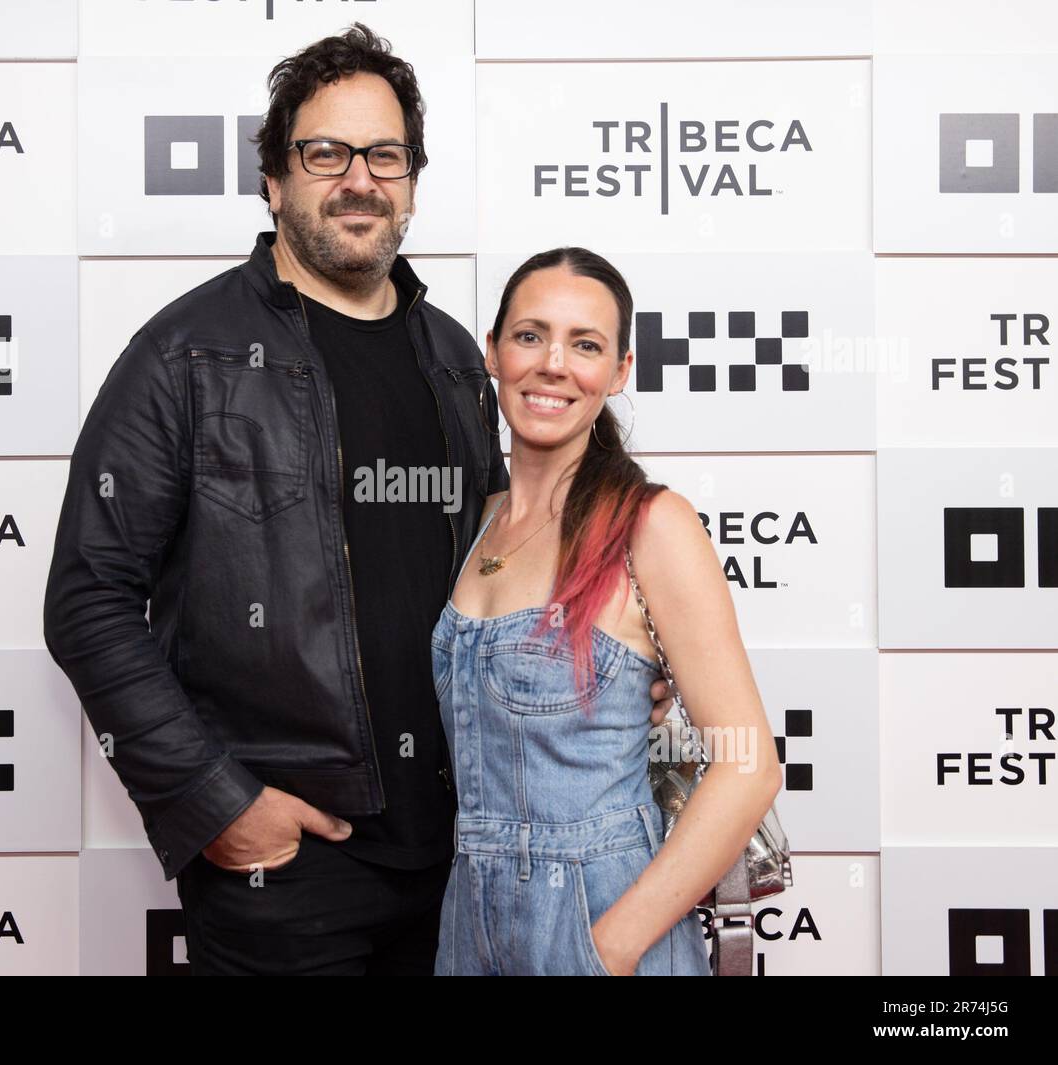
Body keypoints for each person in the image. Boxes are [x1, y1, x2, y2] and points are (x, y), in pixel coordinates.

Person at [43, 23, 673, 976]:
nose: (359, 179)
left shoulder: (461, 357)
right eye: (325, 152)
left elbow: (505, 568)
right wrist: (217, 802)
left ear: (412, 182)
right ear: (274, 179)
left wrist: (607, 672)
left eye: (385, 155)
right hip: (291, 878)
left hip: (471, 859)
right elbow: (87, 598)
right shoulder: (188, 355)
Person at [432, 247, 783, 975]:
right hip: (469, 924)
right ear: (493, 351)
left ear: (620, 370)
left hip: (603, 922)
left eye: (585, 344)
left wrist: (606, 950)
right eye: (530, 335)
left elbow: (748, 766)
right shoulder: (480, 521)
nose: (553, 363)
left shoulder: (650, 524)